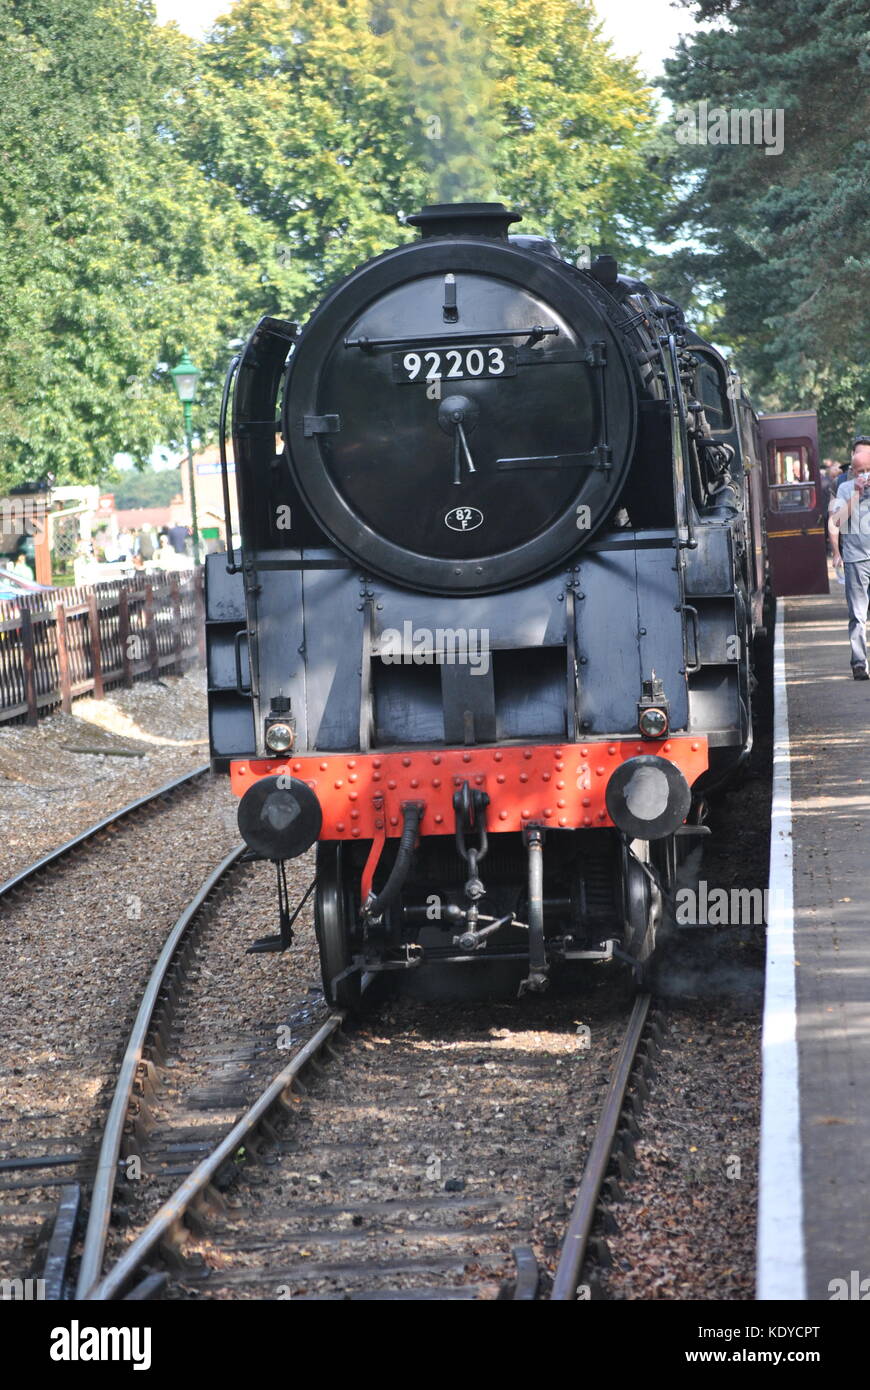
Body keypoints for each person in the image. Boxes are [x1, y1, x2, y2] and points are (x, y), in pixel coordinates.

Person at [830, 437, 870, 678]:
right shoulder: (845, 489)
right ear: (852, 472)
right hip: (856, 559)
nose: (865, 475)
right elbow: (836, 521)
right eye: (861, 471)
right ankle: (859, 663)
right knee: (857, 614)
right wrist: (856, 495)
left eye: (869, 470)